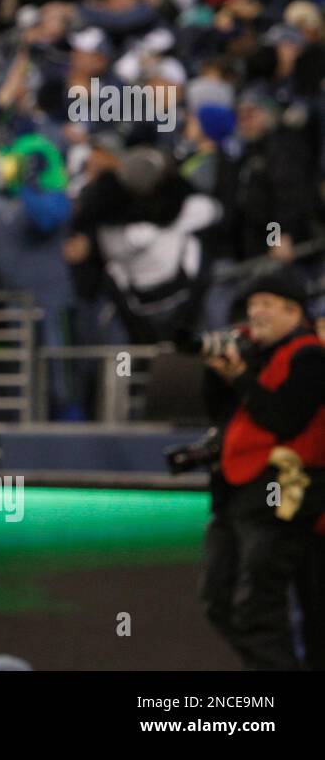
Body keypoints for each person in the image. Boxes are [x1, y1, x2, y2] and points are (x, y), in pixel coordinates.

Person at [200, 270, 325, 669]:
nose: (256, 312)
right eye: (252, 304)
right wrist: (220, 371)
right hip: (236, 493)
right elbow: (219, 413)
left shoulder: (309, 356)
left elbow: (284, 417)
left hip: (277, 496)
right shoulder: (254, 353)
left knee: (260, 609)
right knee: (219, 600)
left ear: (295, 311)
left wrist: (242, 378)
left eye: (266, 304)